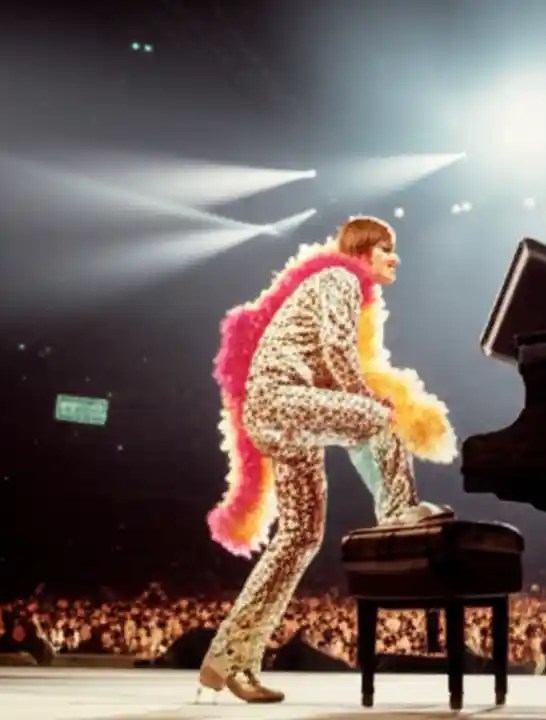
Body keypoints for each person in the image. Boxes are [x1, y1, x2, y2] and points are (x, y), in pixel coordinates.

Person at [198, 216, 458, 703]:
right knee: (381, 418)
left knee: (299, 537)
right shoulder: (341, 278)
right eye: (386, 248)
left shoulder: (336, 285)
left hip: (281, 412)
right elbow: (337, 351)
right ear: (363, 252)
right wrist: (366, 402)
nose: (394, 257)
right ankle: (398, 511)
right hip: (283, 400)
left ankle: (230, 659)